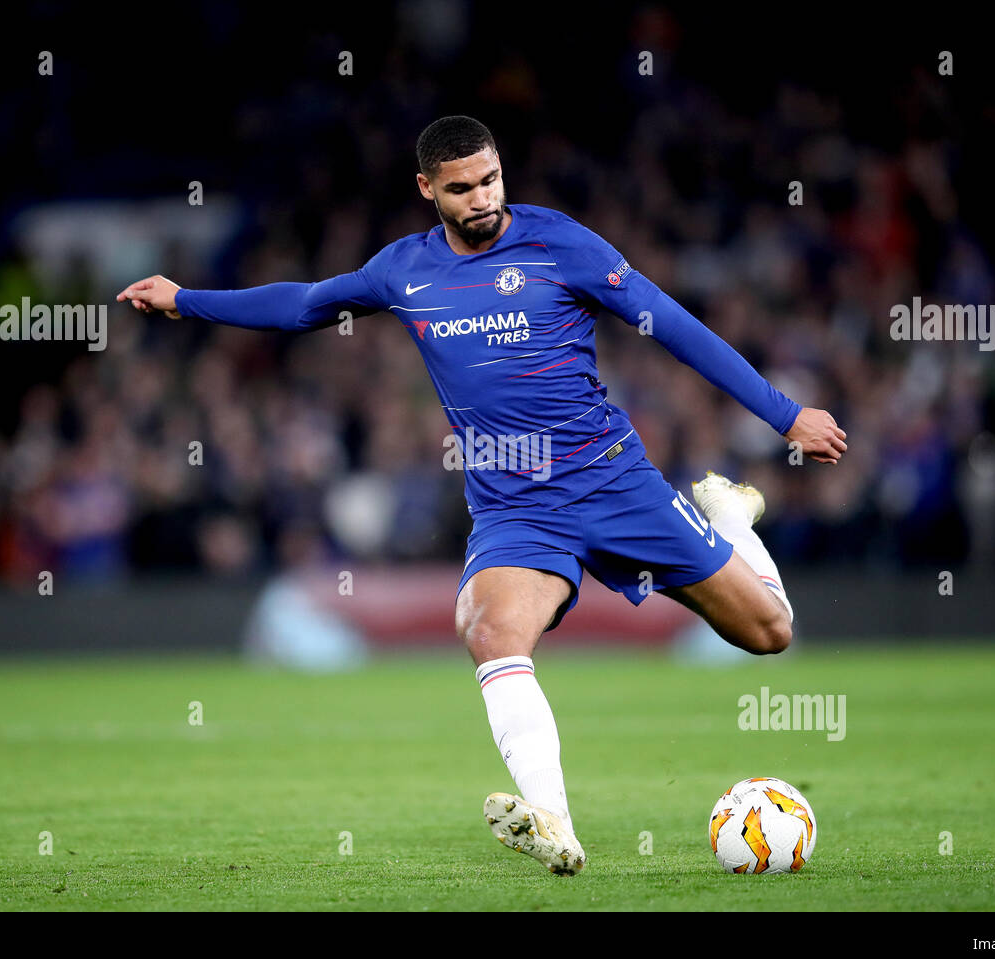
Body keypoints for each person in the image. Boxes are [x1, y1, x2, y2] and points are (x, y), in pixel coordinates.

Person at [118, 115, 847, 875]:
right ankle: (555, 823)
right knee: (490, 632)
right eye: (461, 188)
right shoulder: (403, 271)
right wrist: (187, 299)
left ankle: (731, 519)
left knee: (769, 635)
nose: (481, 199)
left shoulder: (561, 244)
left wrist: (786, 415)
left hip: (613, 482)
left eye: (491, 180)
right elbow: (303, 305)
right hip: (514, 510)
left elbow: (673, 326)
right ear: (428, 189)